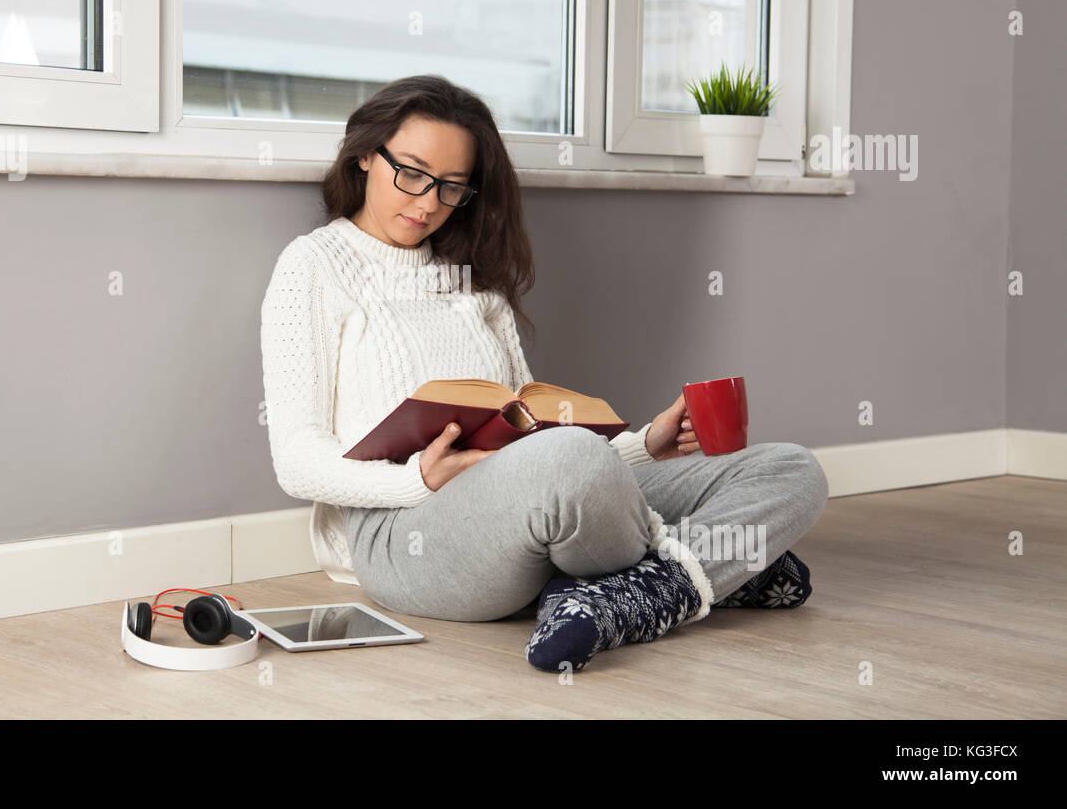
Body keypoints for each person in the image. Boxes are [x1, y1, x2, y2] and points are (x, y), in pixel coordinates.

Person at [259, 74, 829, 673]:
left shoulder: (474, 281)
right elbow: (296, 461)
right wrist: (417, 482)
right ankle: (711, 571)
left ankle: (625, 597)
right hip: (400, 535)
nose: (428, 203)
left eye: (453, 187)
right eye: (412, 174)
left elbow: (529, 435)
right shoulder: (312, 267)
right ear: (364, 156)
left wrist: (643, 449)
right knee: (576, 461)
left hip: (519, 508)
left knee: (791, 468)